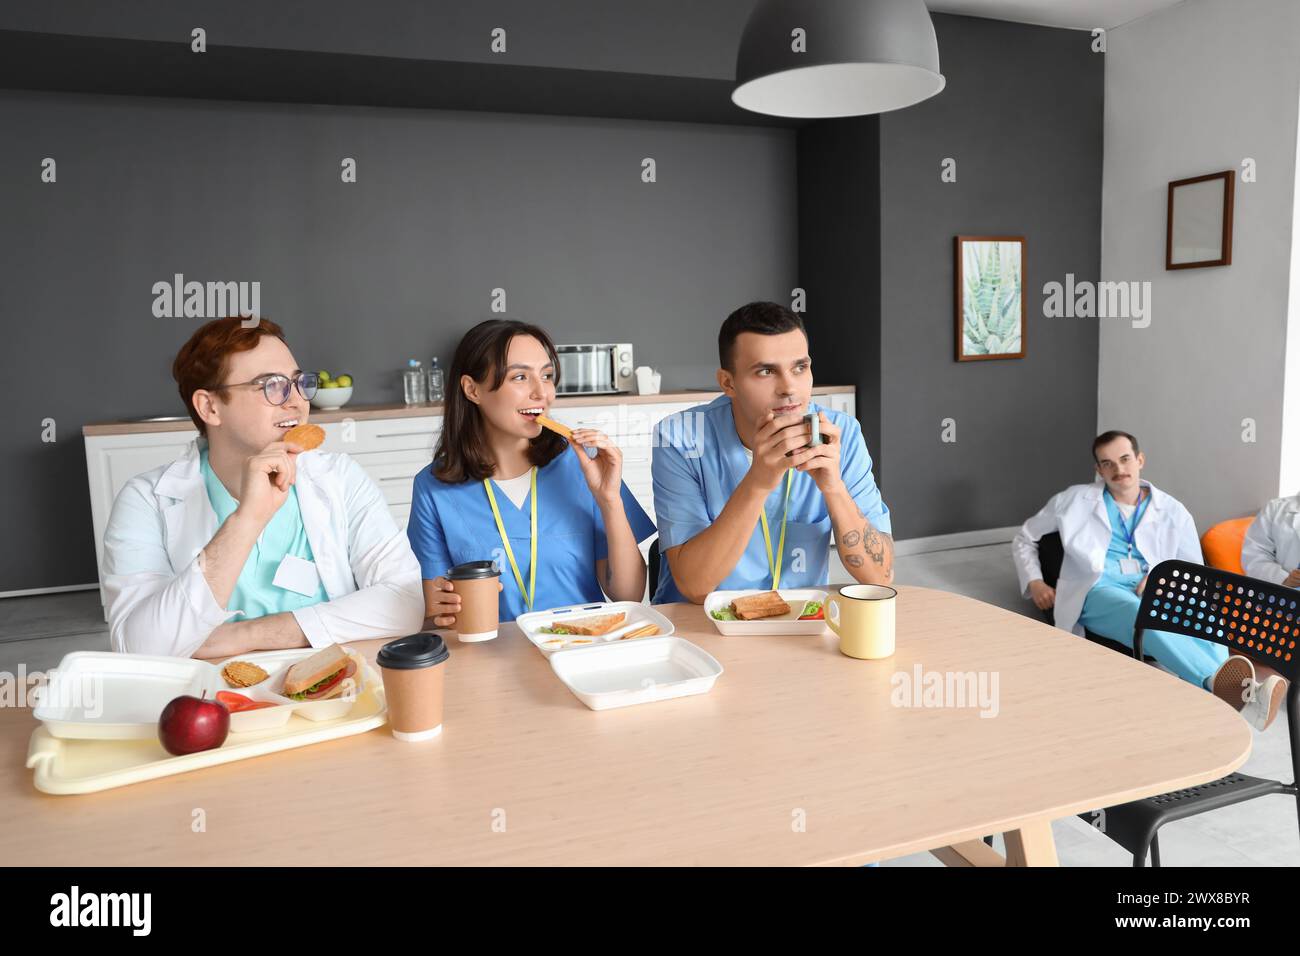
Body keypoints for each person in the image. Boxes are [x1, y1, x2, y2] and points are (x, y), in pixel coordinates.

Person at [102, 317, 425, 658]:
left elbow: (404, 602)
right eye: (271, 385)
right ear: (210, 407)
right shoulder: (146, 500)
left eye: (299, 383)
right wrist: (247, 520)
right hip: (207, 695)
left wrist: (247, 635)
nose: (297, 402)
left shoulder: (341, 478)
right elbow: (138, 647)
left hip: (328, 686)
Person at [1012, 429, 1287, 729]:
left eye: (1125, 459)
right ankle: (1223, 686)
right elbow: (1024, 538)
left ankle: (1238, 693)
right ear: (1098, 469)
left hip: (1156, 586)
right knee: (1144, 617)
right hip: (1099, 588)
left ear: (1140, 459)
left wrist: (1163, 580)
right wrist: (1034, 581)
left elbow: (1192, 570)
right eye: (1108, 463)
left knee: (1205, 616)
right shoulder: (1073, 499)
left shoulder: (1172, 510)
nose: (1119, 469)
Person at [408, 319, 656, 627]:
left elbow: (628, 595)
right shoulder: (433, 487)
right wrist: (441, 615)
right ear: (472, 390)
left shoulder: (584, 465)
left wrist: (609, 500)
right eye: (520, 377)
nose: (543, 393)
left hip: (583, 652)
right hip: (491, 662)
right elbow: (436, 618)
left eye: (547, 376)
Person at [651, 301, 892, 604]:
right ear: (728, 383)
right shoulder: (679, 437)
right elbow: (696, 586)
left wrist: (834, 488)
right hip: (698, 623)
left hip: (796, 621)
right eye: (766, 371)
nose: (789, 388)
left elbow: (879, 577)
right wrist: (760, 481)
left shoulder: (842, 433)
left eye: (800, 368)